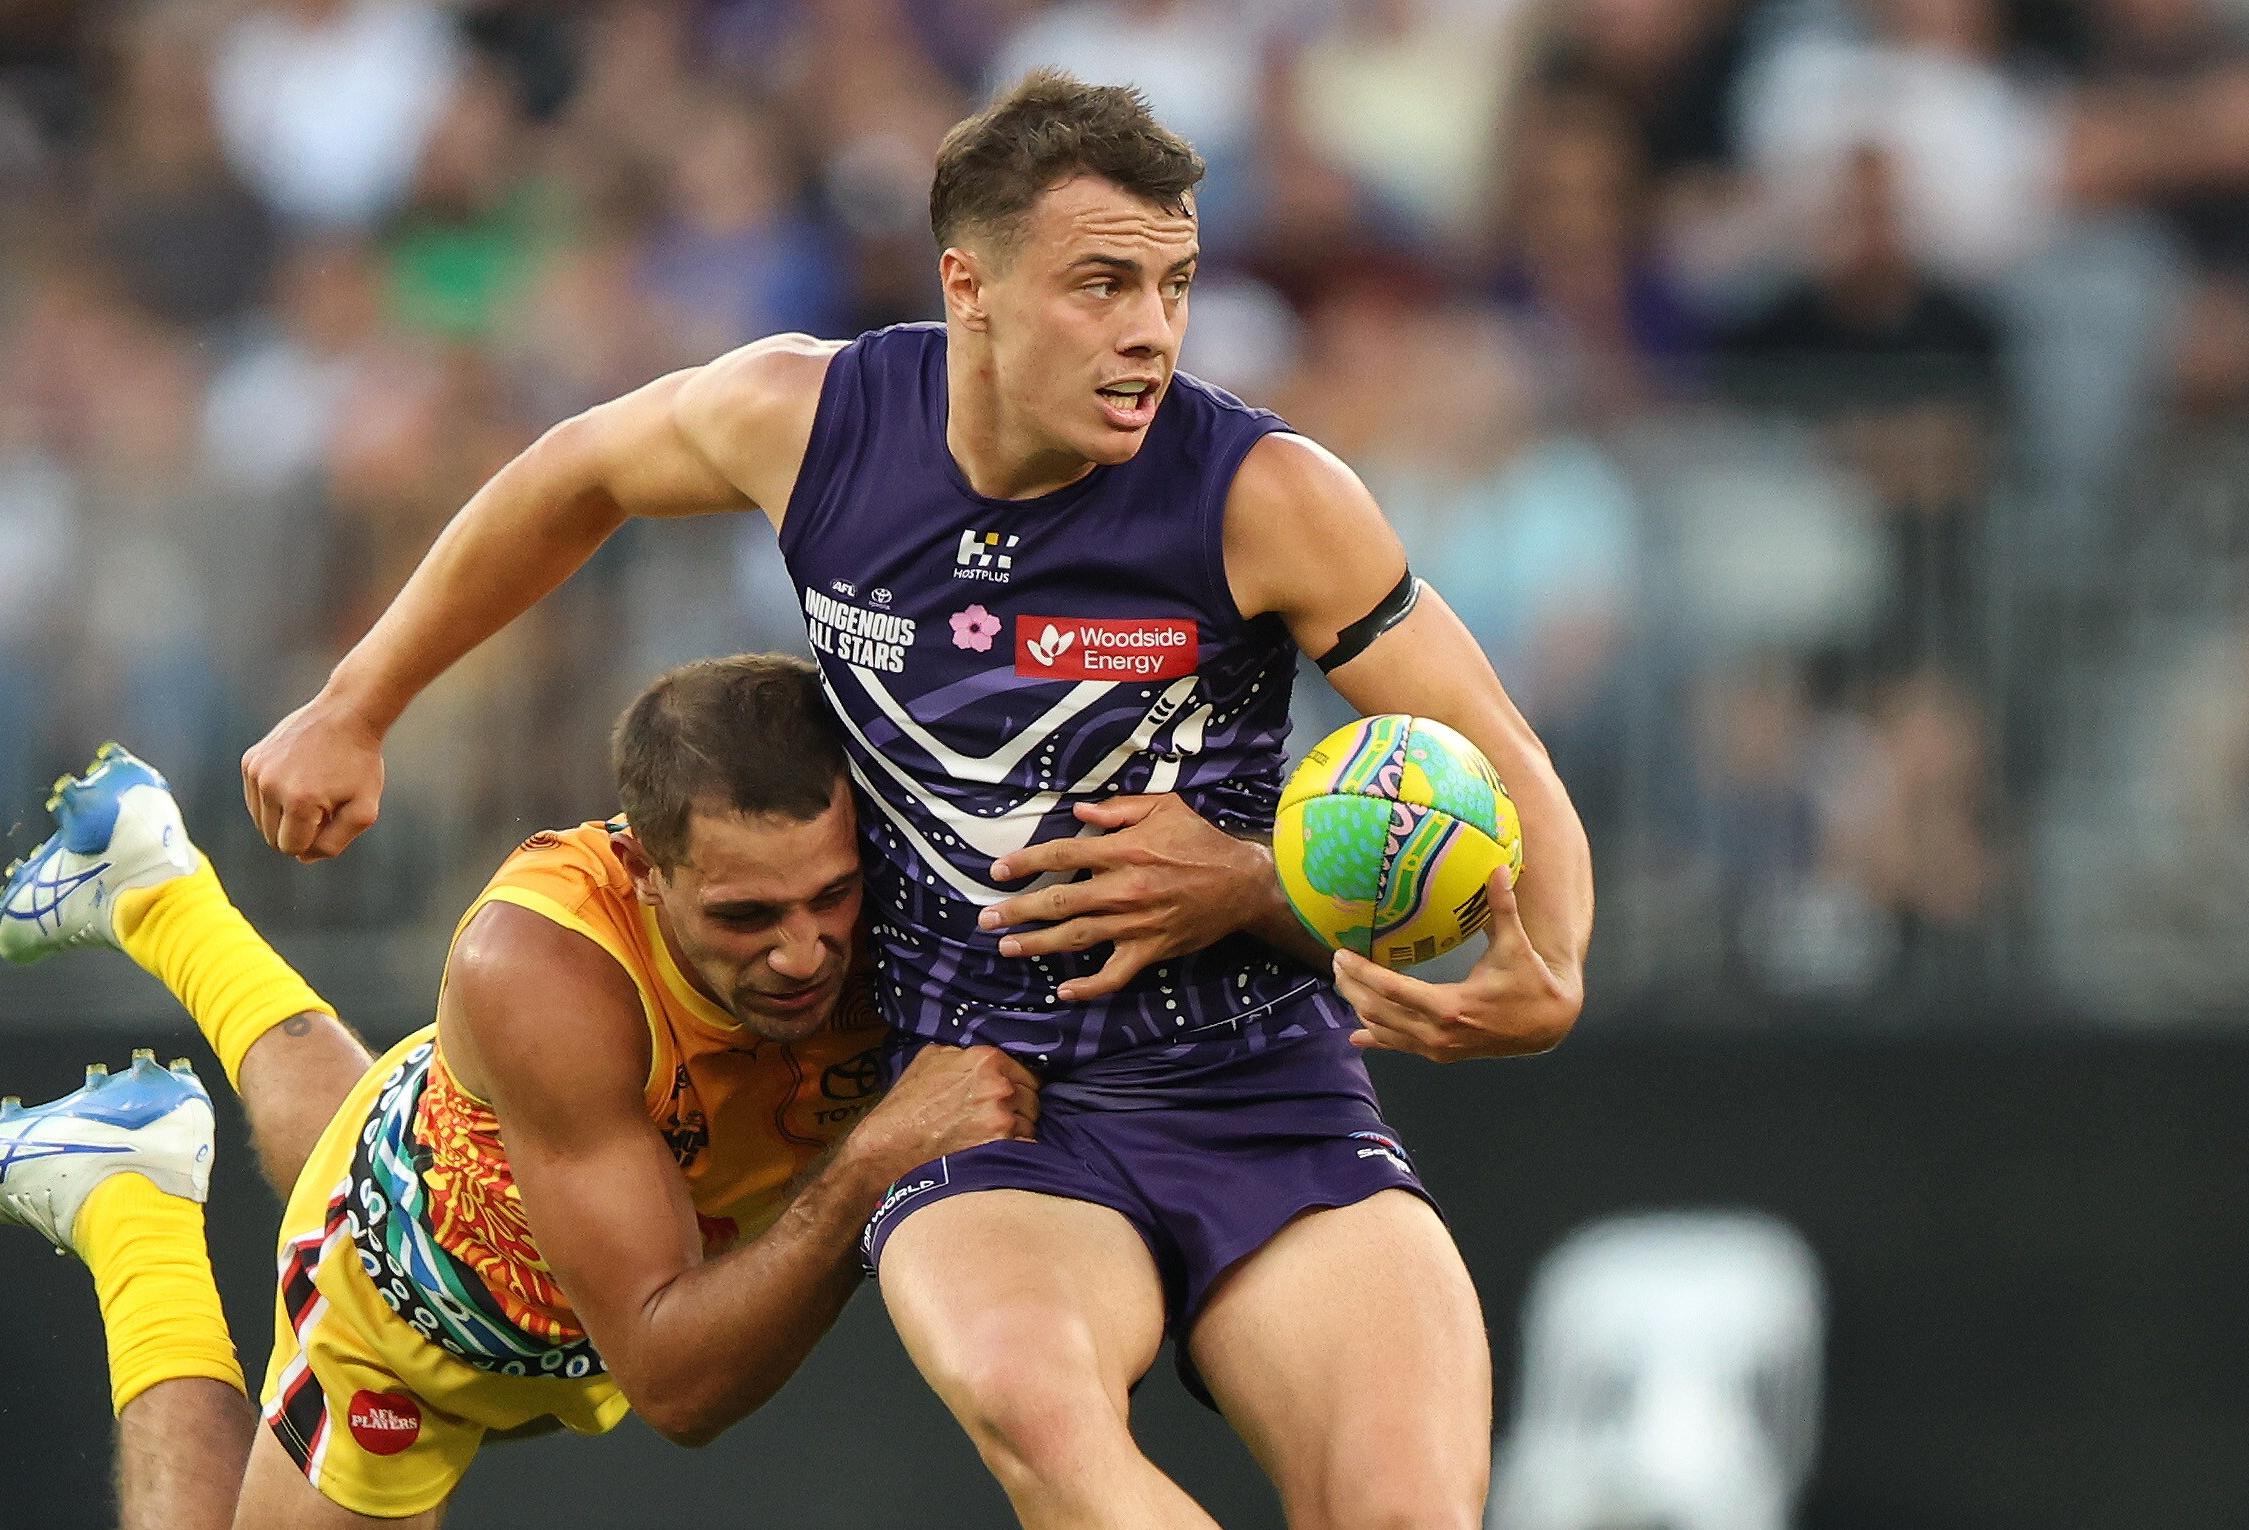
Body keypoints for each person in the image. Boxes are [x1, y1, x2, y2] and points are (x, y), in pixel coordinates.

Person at [241, 71, 1596, 1529]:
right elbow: (575, 473)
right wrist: (355, 700)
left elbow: (1496, 751)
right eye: (1101, 283)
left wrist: (1546, 963)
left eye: (1175, 283)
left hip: (1256, 1083)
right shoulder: (807, 419)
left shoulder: (1270, 494)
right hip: (992, 1093)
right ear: (972, 286)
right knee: (1043, 1417)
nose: (1150, 328)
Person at [0, 653, 1051, 1528]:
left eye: (830, 896)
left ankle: (156, 890)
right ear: (642, 866)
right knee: (363, 1178)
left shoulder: (902, 896)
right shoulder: (542, 973)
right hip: (410, 1322)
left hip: (495, 1162)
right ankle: (128, 1202)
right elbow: (676, 1382)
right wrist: (873, 1155)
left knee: (380, 1127)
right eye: (745, 917)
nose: (802, 952)